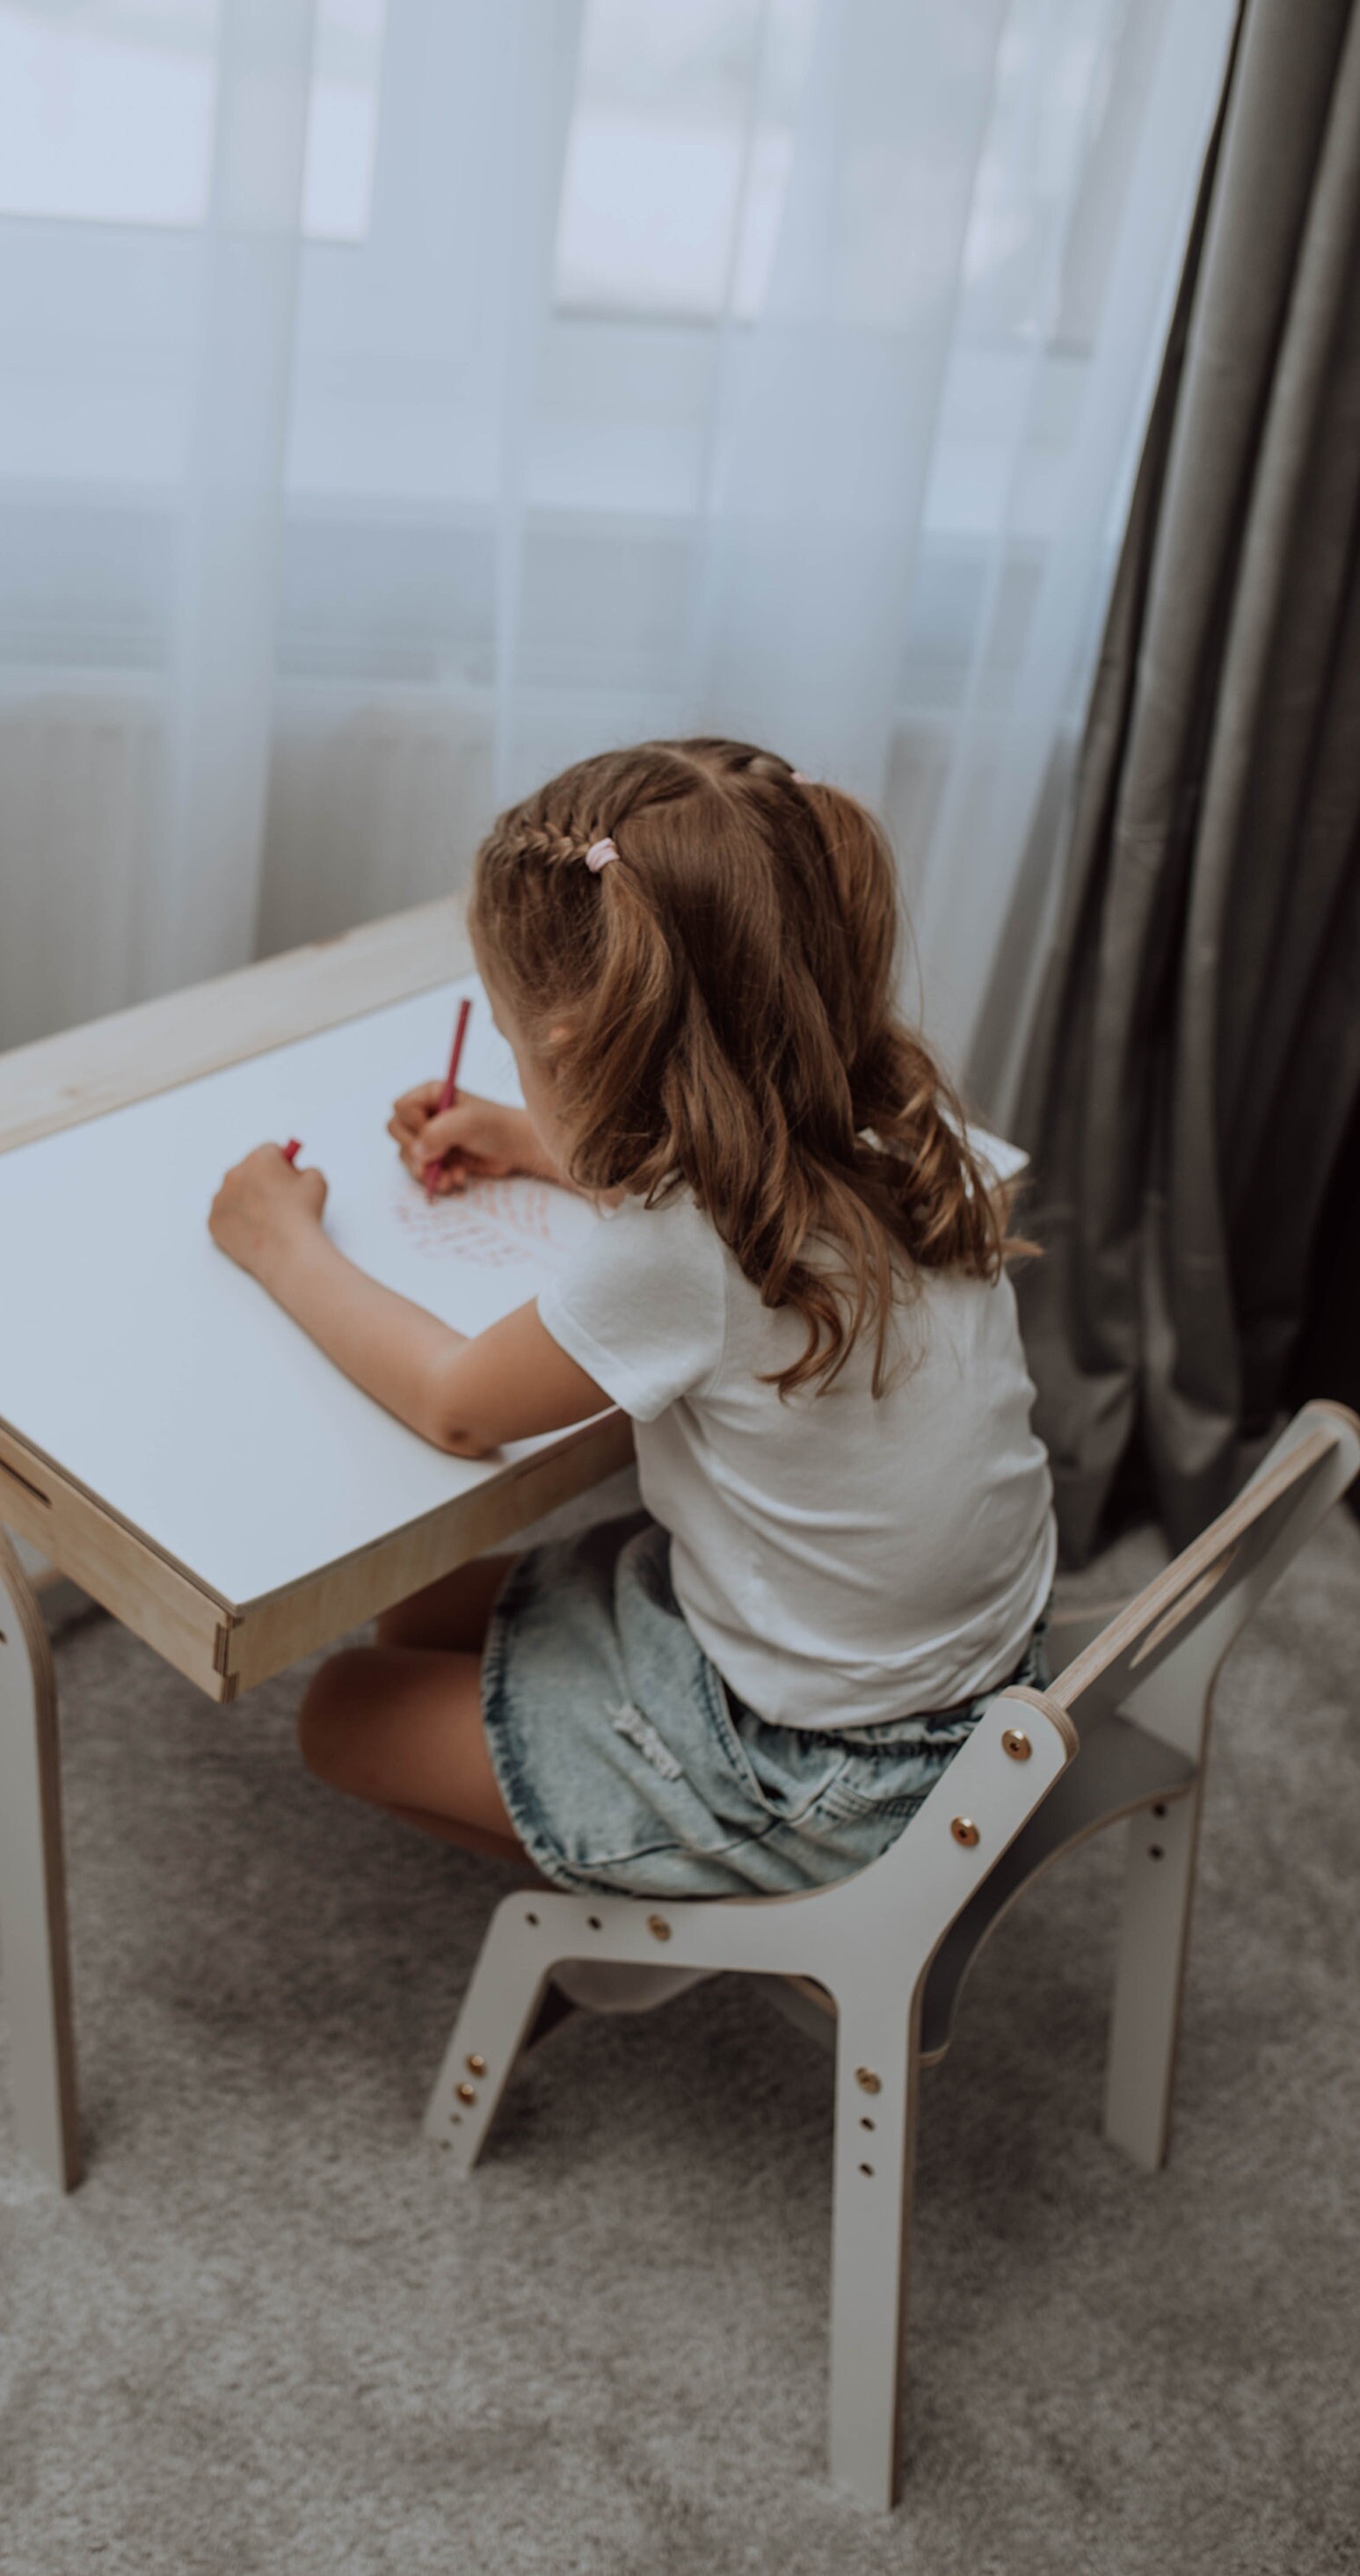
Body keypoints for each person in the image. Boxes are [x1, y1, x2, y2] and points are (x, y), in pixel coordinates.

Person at [208, 738, 1055, 1909]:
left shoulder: (680, 1254)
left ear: (570, 1049)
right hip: (971, 1684)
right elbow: (728, 1181)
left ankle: (673, 1901)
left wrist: (277, 1240)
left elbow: (458, 1408)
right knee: (417, 1606)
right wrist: (528, 1136)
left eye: (513, 1044)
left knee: (341, 1712)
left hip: (825, 1770)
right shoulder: (896, 1122)